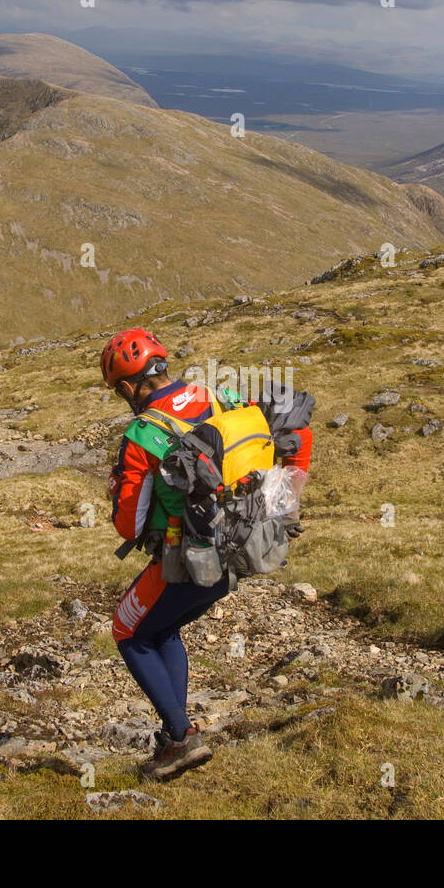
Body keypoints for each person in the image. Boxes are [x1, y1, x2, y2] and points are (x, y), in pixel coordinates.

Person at [102, 328, 313, 782]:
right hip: (239, 548)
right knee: (163, 630)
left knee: (127, 630)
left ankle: (181, 738)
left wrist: (118, 487)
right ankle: (174, 739)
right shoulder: (223, 398)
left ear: (126, 387)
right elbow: (295, 431)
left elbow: (129, 525)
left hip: (187, 558)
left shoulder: (143, 432)